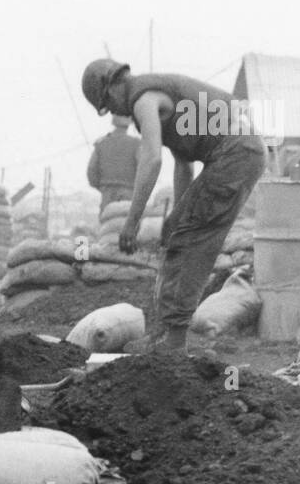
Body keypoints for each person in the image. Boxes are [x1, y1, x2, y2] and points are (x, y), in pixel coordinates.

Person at [81, 58, 267, 352]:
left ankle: (174, 339)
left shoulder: (143, 100)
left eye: (108, 103)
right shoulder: (164, 96)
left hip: (235, 152)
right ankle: (166, 332)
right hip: (241, 150)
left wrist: (132, 222)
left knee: (190, 240)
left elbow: (151, 159)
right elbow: (183, 166)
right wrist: (176, 217)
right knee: (179, 232)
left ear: (113, 85)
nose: (115, 111)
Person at [86, 114, 142, 212]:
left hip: (107, 192)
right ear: (129, 123)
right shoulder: (136, 144)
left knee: (108, 222)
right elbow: (142, 169)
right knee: (127, 222)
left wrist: (101, 187)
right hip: (129, 192)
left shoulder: (101, 143)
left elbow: (91, 170)